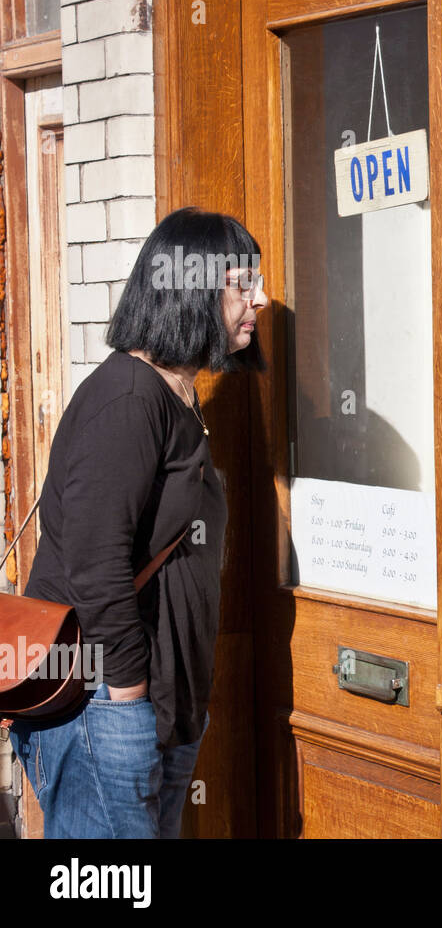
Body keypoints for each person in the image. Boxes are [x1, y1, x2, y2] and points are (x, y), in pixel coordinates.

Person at [7, 207, 268, 838]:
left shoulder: (177, 394)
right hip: (106, 706)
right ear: (192, 287)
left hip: (158, 704)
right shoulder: (128, 397)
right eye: (243, 282)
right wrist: (126, 696)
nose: (259, 299)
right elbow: (95, 565)